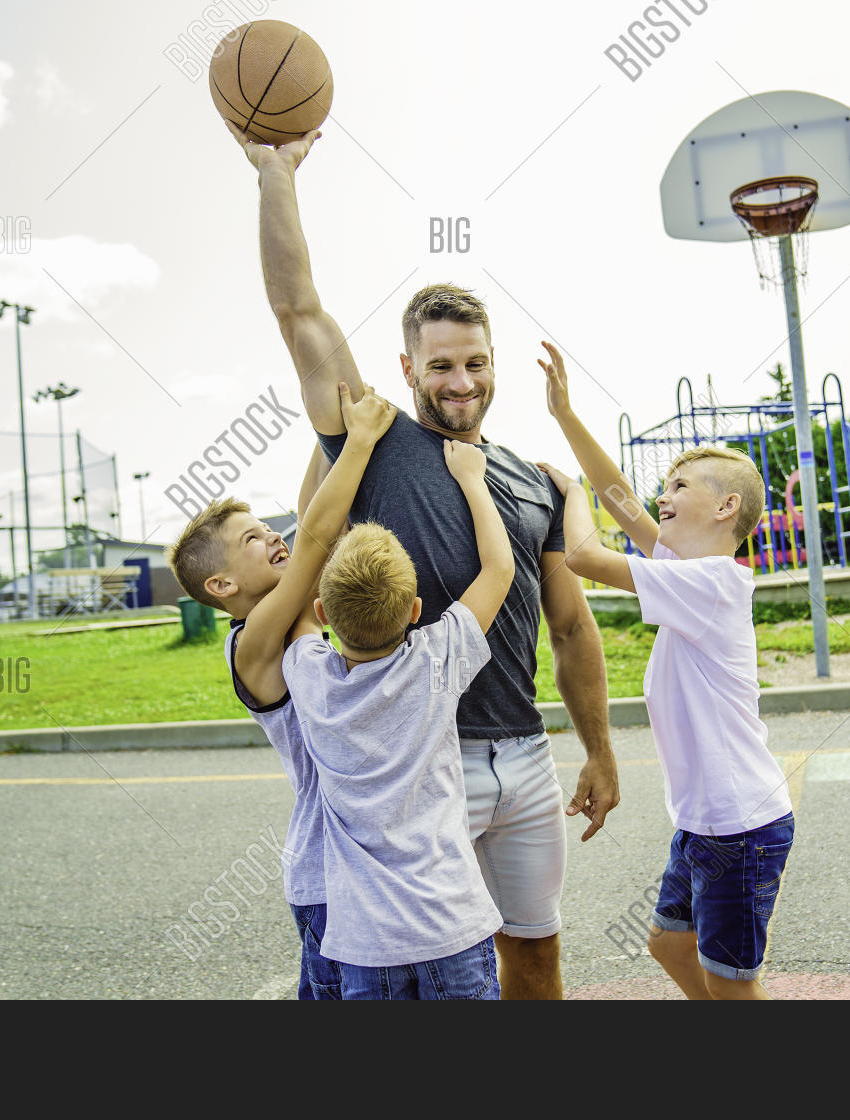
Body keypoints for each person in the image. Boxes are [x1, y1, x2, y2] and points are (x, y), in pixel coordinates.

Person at [229, 124, 619, 1000]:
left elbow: (568, 624)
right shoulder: (376, 440)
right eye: (441, 364)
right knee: (428, 969)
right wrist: (275, 176)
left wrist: (598, 750)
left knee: (535, 952)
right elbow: (298, 312)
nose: (461, 381)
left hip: (522, 755)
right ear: (408, 366)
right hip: (424, 770)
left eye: (476, 363)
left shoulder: (531, 482)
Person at [536, 341, 795, 1000]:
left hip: (738, 828)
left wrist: (567, 493)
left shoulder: (710, 583)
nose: (663, 495)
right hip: (707, 821)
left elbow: (587, 555)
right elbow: (621, 500)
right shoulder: (688, 571)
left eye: (681, 486)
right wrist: (565, 415)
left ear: (726, 508)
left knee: (731, 982)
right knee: (668, 941)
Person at [164, 382, 397, 1001]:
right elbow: (316, 534)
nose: (273, 537)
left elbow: (308, 519)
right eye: (251, 540)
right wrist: (362, 442)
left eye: (267, 529)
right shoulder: (253, 643)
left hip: (362, 869)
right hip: (324, 875)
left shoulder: (291, 610)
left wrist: (331, 435)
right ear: (221, 584)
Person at [282, 438, 514, 999]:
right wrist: (473, 479)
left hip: (365, 944)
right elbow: (499, 567)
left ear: (321, 614)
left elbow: (305, 554)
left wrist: (330, 444)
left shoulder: (309, 677)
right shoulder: (437, 658)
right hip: (452, 925)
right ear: (416, 611)